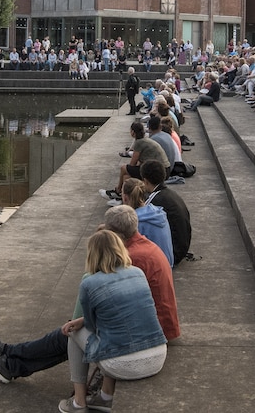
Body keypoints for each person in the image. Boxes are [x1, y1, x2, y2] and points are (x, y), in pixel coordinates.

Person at [53, 230, 166, 412]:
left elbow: (92, 326)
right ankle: (105, 396)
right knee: (114, 331)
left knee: (74, 332)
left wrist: (81, 321)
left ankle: (78, 402)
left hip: (124, 365)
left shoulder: (89, 283)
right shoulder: (138, 273)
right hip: (158, 356)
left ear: (93, 254)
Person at [140, 159, 192, 265]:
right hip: (181, 249)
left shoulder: (154, 201)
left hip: (172, 254)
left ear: (145, 181)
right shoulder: (171, 194)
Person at [100, 122, 168, 201]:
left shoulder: (139, 143)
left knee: (123, 168)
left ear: (133, 132)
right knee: (126, 178)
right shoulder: (145, 140)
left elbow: (132, 164)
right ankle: (124, 198)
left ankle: (118, 191)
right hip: (164, 169)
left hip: (158, 170)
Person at [121, 179, 175, 266]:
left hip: (152, 270)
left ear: (125, 198)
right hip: (167, 265)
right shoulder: (158, 213)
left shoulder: (134, 223)